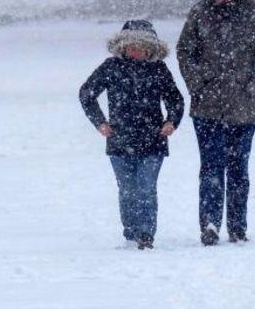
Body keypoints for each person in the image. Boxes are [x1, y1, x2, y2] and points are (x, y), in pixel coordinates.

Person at [177, 0, 255, 245]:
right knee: (210, 167)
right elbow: (185, 52)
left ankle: (237, 226)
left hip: (243, 109)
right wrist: (198, 84)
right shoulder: (199, 13)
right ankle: (210, 224)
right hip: (206, 107)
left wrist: (252, 88)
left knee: (238, 170)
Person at [79, 19, 185, 250]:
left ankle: (146, 234)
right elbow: (86, 93)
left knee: (146, 188)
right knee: (127, 190)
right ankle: (131, 231)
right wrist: (99, 122)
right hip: (119, 141)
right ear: (122, 46)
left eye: (142, 46)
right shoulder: (110, 67)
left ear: (151, 49)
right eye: (132, 46)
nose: (136, 51)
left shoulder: (158, 70)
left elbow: (175, 100)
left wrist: (171, 122)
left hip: (153, 140)